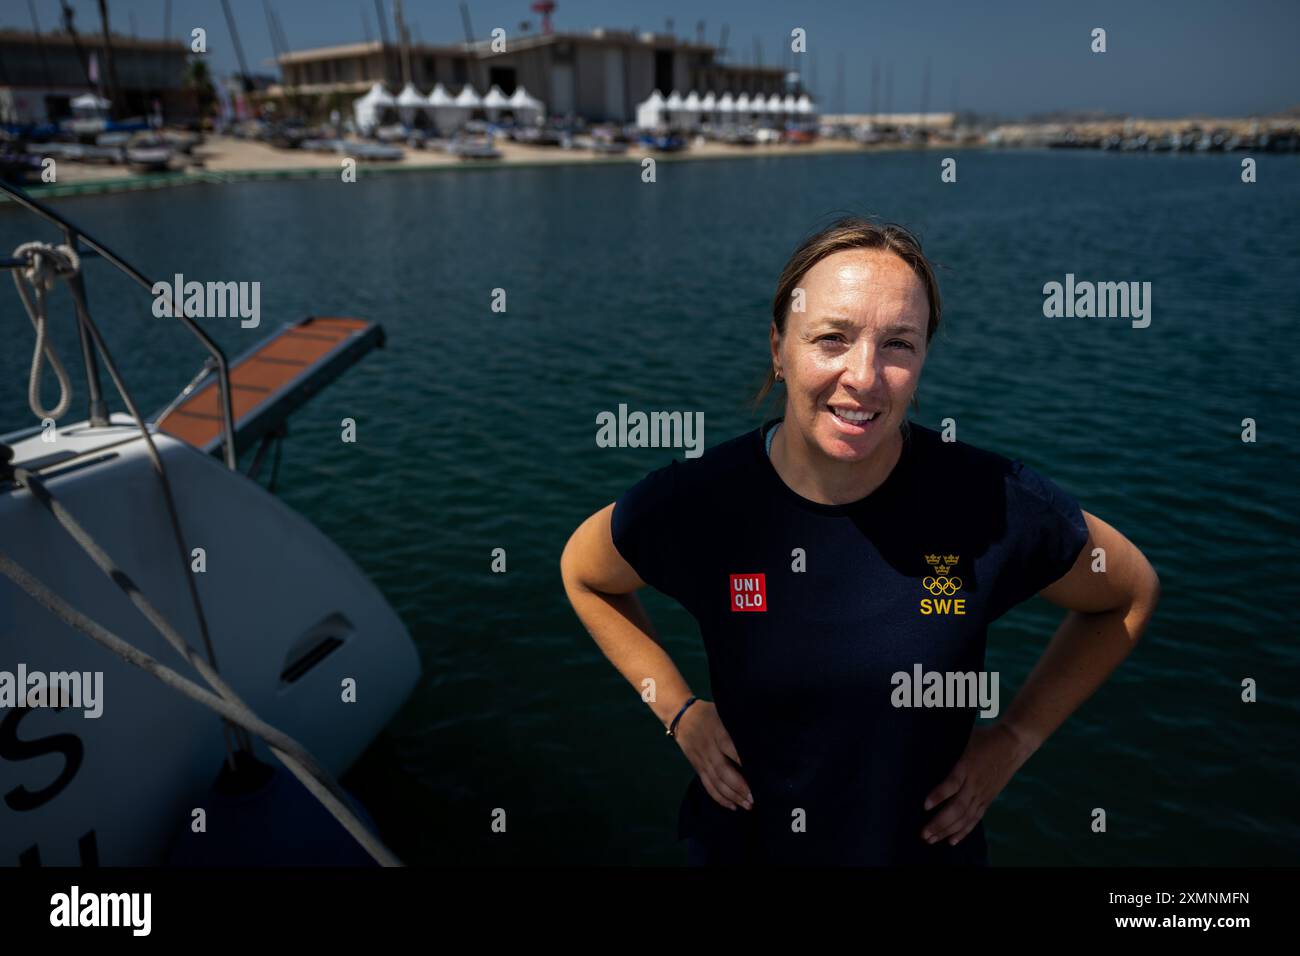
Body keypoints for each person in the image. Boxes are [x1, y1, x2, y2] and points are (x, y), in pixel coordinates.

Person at [559, 217, 1160, 865]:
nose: (865, 376)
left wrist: (1015, 737)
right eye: (831, 339)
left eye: (898, 344)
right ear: (778, 348)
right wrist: (678, 710)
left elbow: (1126, 594)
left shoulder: (991, 501)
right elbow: (585, 574)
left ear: (924, 357)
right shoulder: (701, 502)